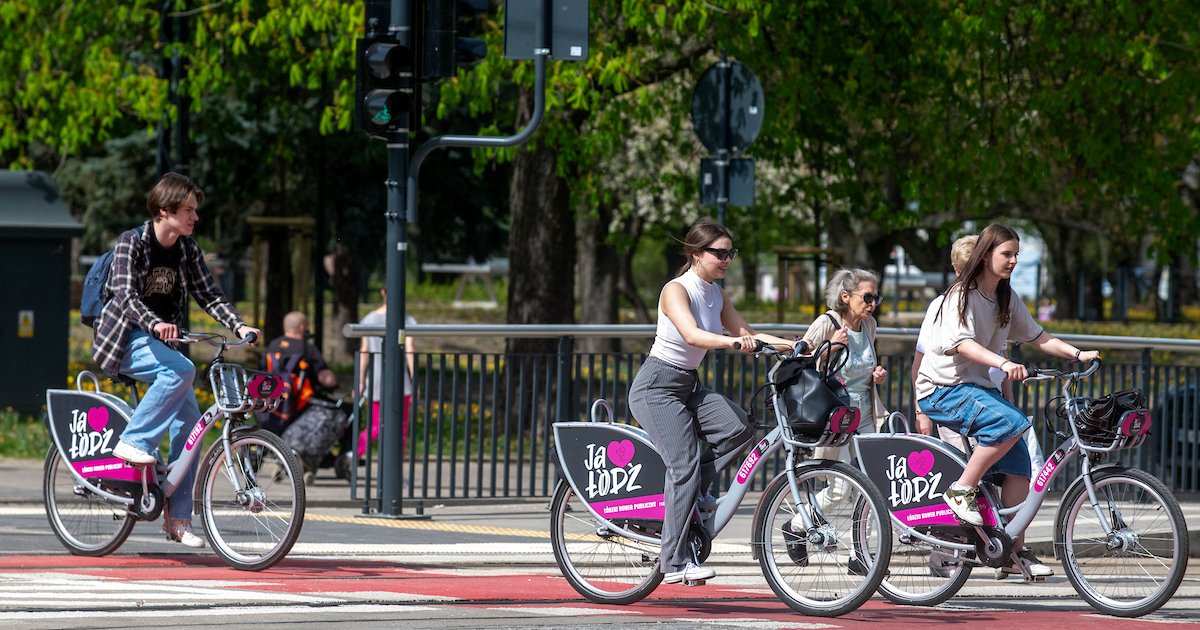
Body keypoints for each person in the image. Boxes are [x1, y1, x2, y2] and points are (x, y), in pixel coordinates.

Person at [915, 222, 1099, 578]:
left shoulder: (1005, 297)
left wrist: (1078, 355)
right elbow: (963, 344)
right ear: (986, 255)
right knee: (1012, 422)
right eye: (1007, 254)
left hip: (975, 389)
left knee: (1019, 468)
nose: (1013, 261)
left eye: (1017, 254)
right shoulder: (960, 296)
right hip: (943, 389)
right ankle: (961, 490)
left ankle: (1011, 552)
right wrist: (1003, 363)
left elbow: (1038, 336)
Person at [94, 172, 259, 549]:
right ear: (165, 210)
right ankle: (133, 441)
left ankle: (178, 519)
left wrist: (239, 325)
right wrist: (154, 323)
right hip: (124, 338)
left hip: (162, 342)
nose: (195, 217)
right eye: (189, 210)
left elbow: (209, 294)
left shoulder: (188, 249)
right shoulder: (132, 242)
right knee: (181, 369)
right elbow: (125, 296)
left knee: (190, 425)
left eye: (195, 211)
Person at [628, 218, 794, 585]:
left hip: (689, 385)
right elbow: (692, 335)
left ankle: (691, 492)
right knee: (684, 464)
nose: (727, 260)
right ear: (695, 253)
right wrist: (732, 343)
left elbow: (748, 332)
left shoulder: (717, 294)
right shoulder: (676, 289)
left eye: (731, 253)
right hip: (657, 387)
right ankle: (674, 562)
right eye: (720, 254)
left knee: (739, 429)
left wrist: (793, 344)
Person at [357, 287, 416, 461]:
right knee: (401, 427)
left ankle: (353, 453)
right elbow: (410, 351)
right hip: (400, 381)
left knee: (375, 425)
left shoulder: (369, 319)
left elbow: (364, 352)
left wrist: (360, 381)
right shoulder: (407, 319)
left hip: (376, 379)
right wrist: (414, 380)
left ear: (383, 292)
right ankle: (396, 465)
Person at [259, 311, 338, 435]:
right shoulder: (308, 349)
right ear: (302, 327)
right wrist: (334, 382)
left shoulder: (272, 345)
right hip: (299, 405)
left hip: (271, 403)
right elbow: (326, 379)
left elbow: (262, 370)